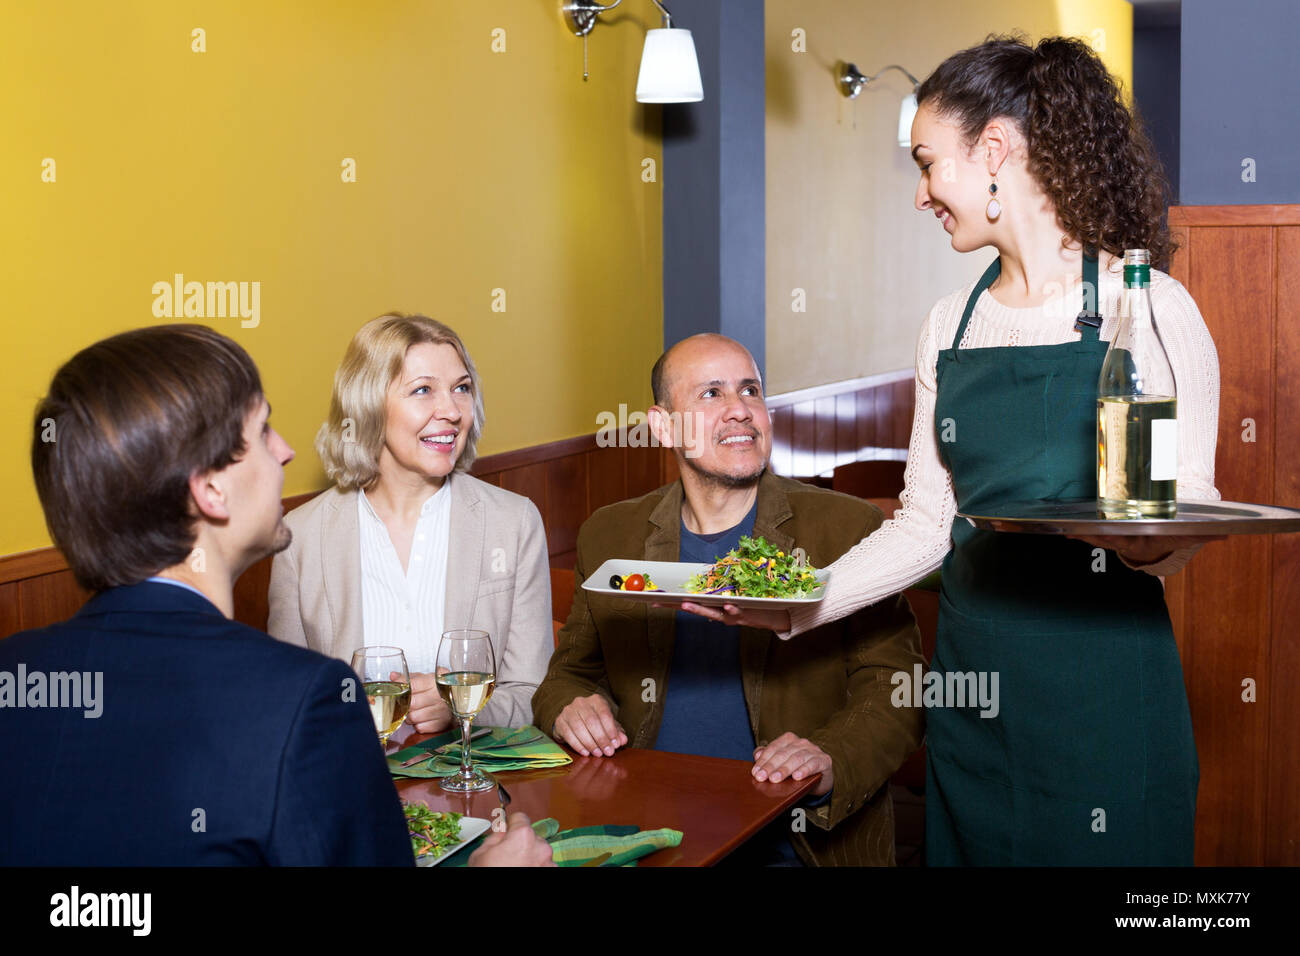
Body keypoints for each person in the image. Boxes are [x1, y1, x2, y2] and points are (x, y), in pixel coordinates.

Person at [684, 37, 1223, 866]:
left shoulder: (1146, 304)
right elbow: (927, 522)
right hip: (973, 700)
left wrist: (1141, 542)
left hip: (1102, 696)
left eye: (929, 163)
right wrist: (808, 601)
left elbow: (1178, 510)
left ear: (997, 150)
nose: (922, 193)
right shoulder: (951, 323)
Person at [0, 324, 552, 867]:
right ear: (211, 490)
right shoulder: (303, 701)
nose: (287, 451)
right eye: (263, 431)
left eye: (460, 388)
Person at [531, 333, 927, 866]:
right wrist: (568, 708)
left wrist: (829, 759)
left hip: (797, 846)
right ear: (663, 425)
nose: (740, 410)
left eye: (750, 390)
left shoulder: (847, 529)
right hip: (645, 837)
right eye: (711, 394)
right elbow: (567, 677)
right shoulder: (611, 534)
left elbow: (898, 688)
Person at [268, 314, 552, 734]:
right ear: (368, 405)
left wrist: (457, 709)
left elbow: (534, 693)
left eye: (462, 388)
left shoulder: (514, 522)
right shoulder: (301, 538)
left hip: (473, 786)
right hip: (349, 782)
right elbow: (282, 702)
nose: (452, 411)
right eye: (422, 390)